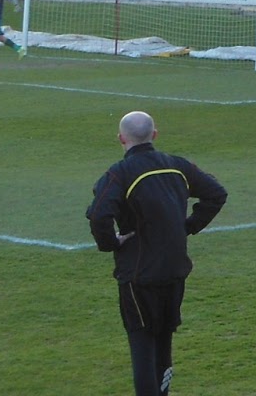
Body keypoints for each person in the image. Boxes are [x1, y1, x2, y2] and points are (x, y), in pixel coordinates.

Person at [87, 110, 228, 396]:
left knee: (142, 344)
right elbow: (216, 194)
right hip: (175, 270)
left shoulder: (119, 173)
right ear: (154, 135)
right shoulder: (177, 165)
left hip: (139, 275)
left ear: (121, 138)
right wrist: (187, 226)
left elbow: (99, 215)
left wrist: (110, 244)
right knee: (163, 341)